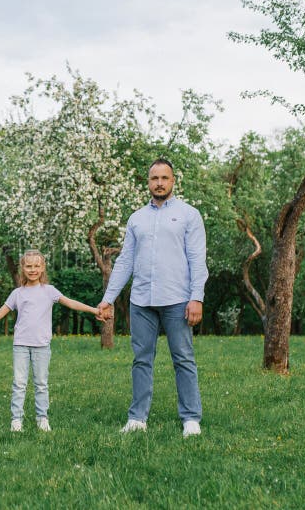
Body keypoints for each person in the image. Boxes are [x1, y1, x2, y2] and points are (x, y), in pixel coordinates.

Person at [98, 158, 208, 437]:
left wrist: (197, 298)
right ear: (148, 182)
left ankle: (191, 419)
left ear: (173, 181)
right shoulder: (137, 218)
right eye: (154, 178)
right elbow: (125, 261)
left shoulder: (189, 215)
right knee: (141, 359)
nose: (159, 183)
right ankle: (137, 419)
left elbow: (197, 259)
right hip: (142, 301)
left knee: (183, 358)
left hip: (178, 300)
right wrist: (108, 298)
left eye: (164, 178)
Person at [0, 250, 100, 432]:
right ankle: (16, 420)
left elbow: (71, 303)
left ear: (43, 268)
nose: (33, 269)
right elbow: (0, 312)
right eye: (29, 266)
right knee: (19, 383)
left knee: (41, 383)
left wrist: (95, 310)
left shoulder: (49, 291)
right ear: (22, 268)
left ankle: (42, 418)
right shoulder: (17, 293)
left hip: (42, 346)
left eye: (37, 266)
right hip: (21, 345)